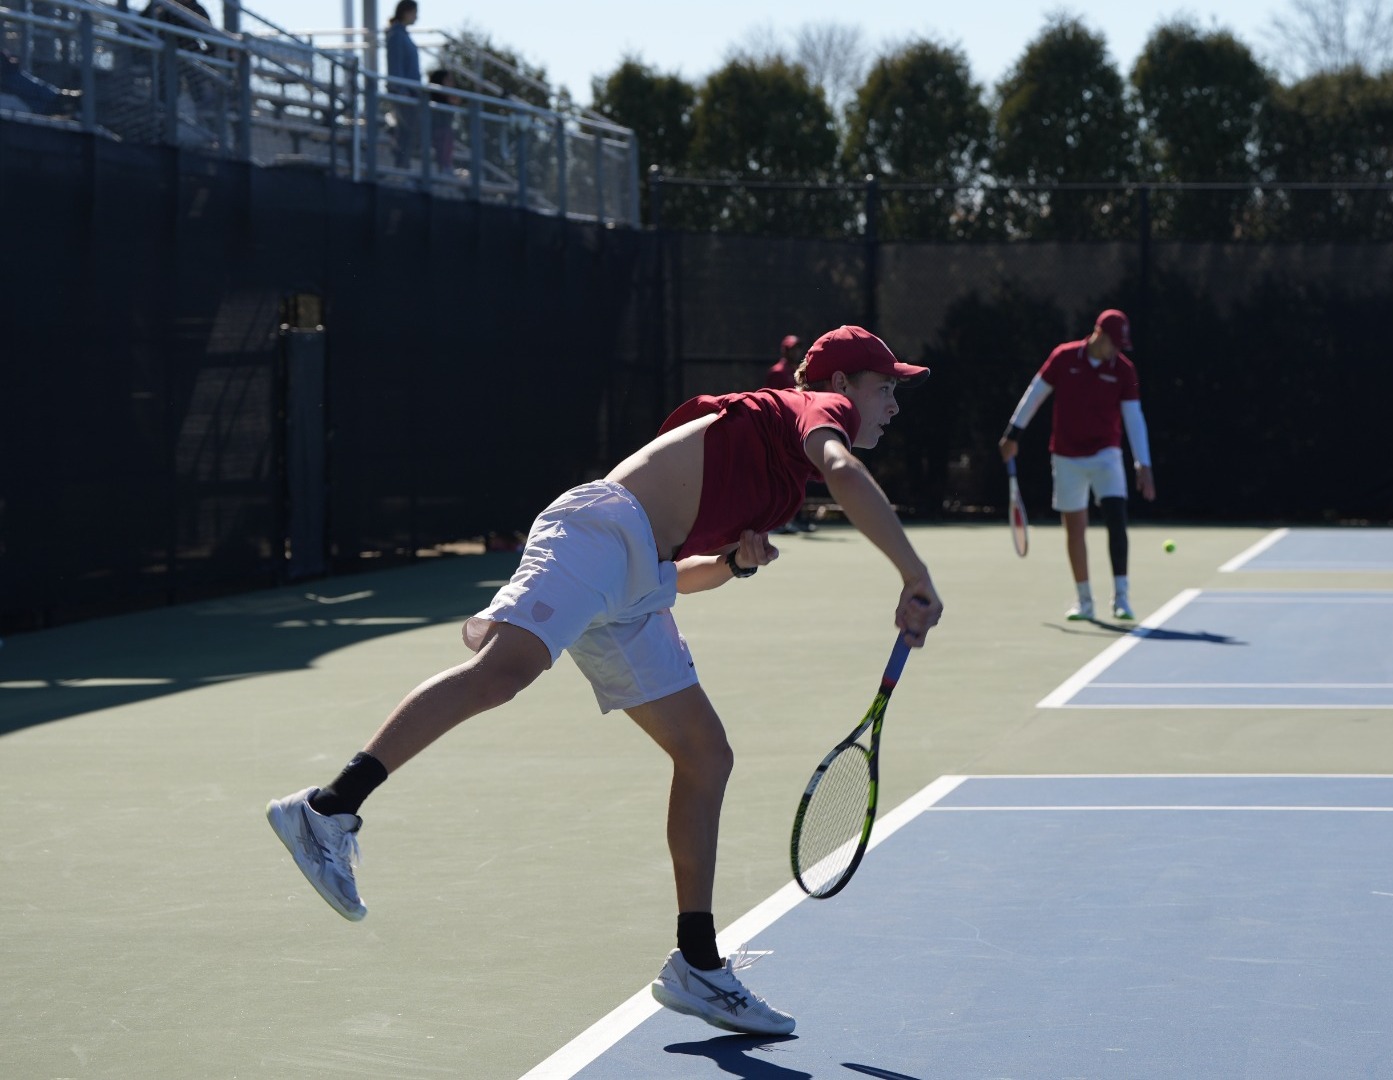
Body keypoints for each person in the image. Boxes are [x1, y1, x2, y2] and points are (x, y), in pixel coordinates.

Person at [266, 326, 941, 1036]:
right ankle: (326, 809)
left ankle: (698, 962)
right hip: (600, 532)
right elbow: (841, 467)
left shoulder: (777, 476)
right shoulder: (809, 413)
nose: (893, 405)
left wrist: (735, 567)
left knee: (706, 754)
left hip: (636, 577)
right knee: (502, 674)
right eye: (885, 388)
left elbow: (675, 576)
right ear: (841, 390)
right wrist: (914, 575)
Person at [998, 309, 1155, 621]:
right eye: (1114, 343)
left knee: (1116, 518)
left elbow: (1134, 418)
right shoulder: (1063, 357)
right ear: (1098, 333)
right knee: (1074, 529)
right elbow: (1035, 394)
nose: (1117, 350)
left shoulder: (1124, 371)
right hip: (1066, 456)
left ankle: (1121, 597)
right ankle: (1084, 601)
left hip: (1106, 455)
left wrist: (1143, 463)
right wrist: (1013, 433)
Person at [763, 335, 813, 532]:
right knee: (780, 476)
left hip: (798, 430)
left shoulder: (799, 373)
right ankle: (778, 521)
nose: (797, 352)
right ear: (785, 351)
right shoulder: (777, 372)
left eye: (798, 348)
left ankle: (796, 519)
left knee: (799, 475)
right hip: (780, 432)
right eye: (793, 349)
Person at [384, 0, 421, 169]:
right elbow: (395, 65)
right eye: (414, 12)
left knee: (409, 132)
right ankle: (401, 166)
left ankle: (403, 165)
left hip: (411, 92)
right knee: (404, 131)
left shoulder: (403, 34)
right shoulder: (396, 35)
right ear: (406, 12)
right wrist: (400, 90)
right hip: (403, 92)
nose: (416, 16)